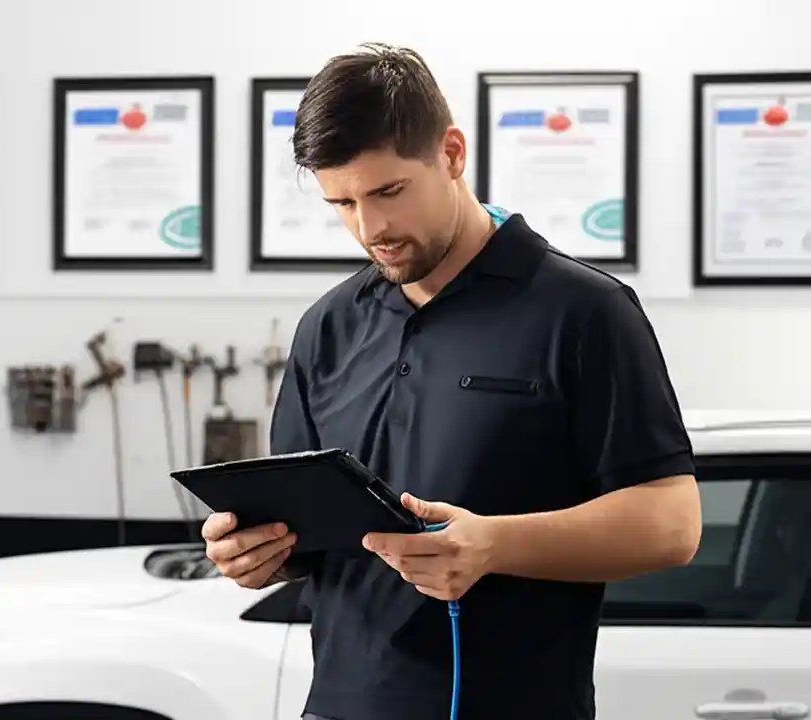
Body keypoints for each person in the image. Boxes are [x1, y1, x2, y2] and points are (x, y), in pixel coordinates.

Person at [201, 43, 702, 720]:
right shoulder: (327, 328)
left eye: (389, 192)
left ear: (453, 153)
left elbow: (671, 524)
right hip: (339, 704)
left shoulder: (584, 311)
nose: (370, 228)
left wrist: (495, 544)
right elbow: (305, 533)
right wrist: (255, 553)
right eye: (343, 203)